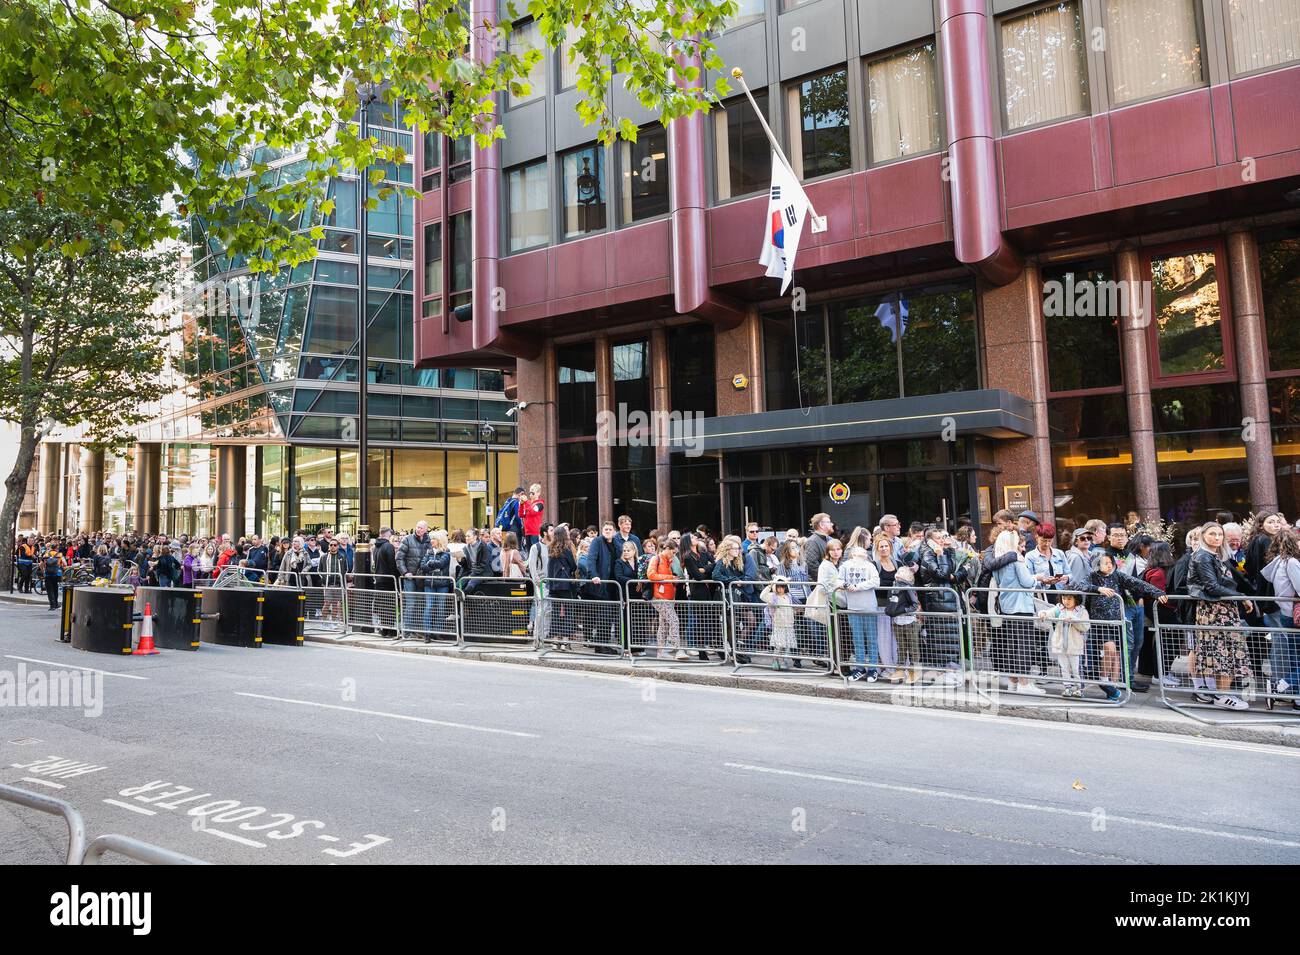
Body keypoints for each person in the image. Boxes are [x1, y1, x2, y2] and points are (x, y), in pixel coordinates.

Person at [1084, 551, 1167, 702]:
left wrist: (1156, 592)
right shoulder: (1092, 577)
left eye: (1110, 563)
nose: (1109, 566)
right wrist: (1097, 589)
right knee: (1109, 649)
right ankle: (1104, 681)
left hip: (1117, 620)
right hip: (1101, 622)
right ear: (1097, 564)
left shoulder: (1118, 576)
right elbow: (1078, 585)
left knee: (1116, 654)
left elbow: (1137, 583)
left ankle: (1113, 689)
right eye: (1105, 563)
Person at [1188, 522, 1253, 710]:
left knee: (1225, 652)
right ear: (1203, 536)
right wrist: (1241, 597)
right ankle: (1222, 695)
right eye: (1212, 534)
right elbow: (1212, 587)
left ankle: (1222, 693)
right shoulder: (1202, 556)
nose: (1217, 538)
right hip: (1215, 611)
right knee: (1222, 653)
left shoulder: (1213, 555)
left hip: (1222, 609)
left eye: (1219, 534)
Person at [989, 529, 1044, 694]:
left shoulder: (998, 563)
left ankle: (1013, 682)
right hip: (1021, 606)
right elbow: (1027, 582)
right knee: (1024, 645)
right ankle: (1024, 683)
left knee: (1012, 646)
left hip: (1007, 606)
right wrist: (1037, 578)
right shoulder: (1017, 561)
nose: (1022, 546)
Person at [1260, 527, 1300, 710]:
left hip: (1287, 615)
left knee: (1296, 658)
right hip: (1295, 615)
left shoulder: (1277, 563)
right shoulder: (1291, 563)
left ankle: (1296, 696)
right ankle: (1280, 685)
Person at [839, 545, 881, 682]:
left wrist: (857, 587)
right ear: (853, 554)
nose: (862, 553)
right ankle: (860, 667)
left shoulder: (870, 566)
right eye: (859, 552)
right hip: (853, 607)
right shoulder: (845, 565)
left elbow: (876, 581)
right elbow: (838, 580)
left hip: (869, 606)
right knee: (857, 640)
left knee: (871, 640)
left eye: (863, 552)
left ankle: (873, 668)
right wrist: (846, 585)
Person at [1038, 592, 1090, 698]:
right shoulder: (1059, 609)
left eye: (1069, 599)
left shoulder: (1081, 611)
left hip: (1074, 646)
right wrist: (1043, 613)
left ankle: (1079, 688)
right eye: (1064, 598)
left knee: (1076, 668)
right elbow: (1048, 612)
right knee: (1064, 668)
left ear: (1076, 599)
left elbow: (1085, 626)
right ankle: (1067, 687)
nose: (1066, 601)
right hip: (1060, 645)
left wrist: (1074, 620)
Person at [647, 539, 687, 660]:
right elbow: (651, 575)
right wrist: (670, 578)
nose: (674, 555)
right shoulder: (656, 559)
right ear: (667, 549)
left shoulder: (669, 560)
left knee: (663, 624)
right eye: (673, 552)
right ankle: (675, 648)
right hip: (659, 597)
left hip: (668, 597)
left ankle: (661, 652)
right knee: (674, 620)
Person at [760, 577, 797, 671]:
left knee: (788, 644)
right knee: (779, 645)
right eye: (778, 587)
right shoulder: (773, 596)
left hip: (789, 624)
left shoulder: (788, 596)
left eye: (782, 587)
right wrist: (770, 585)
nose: (780, 589)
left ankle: (784, 661)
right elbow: (762, 596)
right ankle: (775, 660)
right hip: (779, 624)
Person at [803, 513, 833, 580]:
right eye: (828, 522)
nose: (832, 524)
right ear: (821, 525)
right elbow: (811, 564)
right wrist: (825, 579)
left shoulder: (830, 540)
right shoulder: (812, 541)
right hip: (819, 585)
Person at [521, 484, 546, 550]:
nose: (531, 495)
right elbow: (521, 515)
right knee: (529, 553)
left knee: (536, 552)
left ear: (538, 493)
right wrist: (521, 504)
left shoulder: (540, 504)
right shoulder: (528, 503)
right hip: (527, 532)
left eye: (533, 493)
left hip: (535, 532)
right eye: (530, 493)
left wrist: (526, 502)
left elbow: (533, 512)